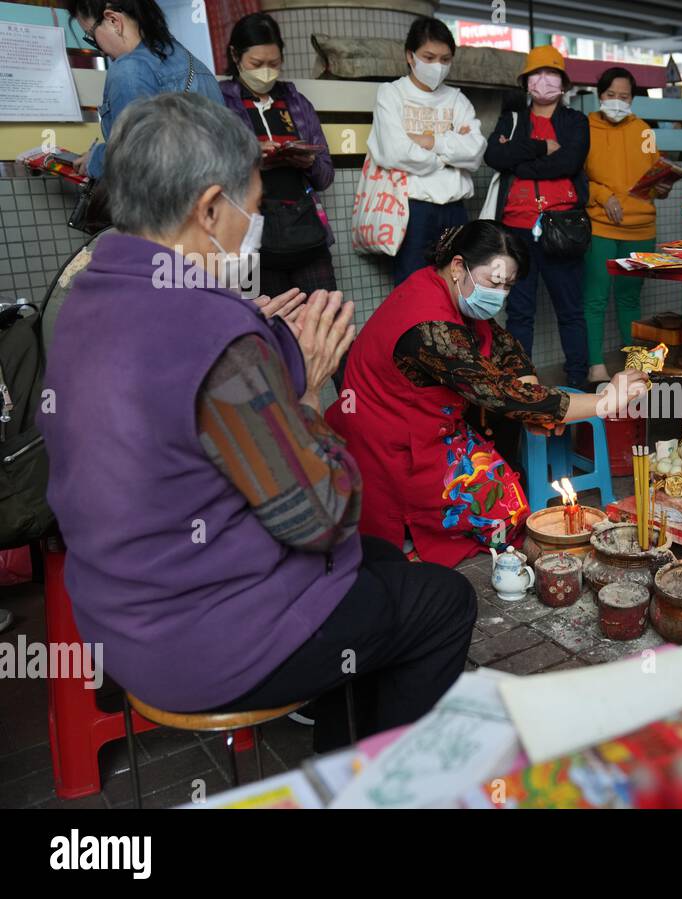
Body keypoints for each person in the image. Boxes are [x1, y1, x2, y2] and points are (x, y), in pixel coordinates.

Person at [39, 93, 475, 752]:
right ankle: (383, 788)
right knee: (442, 602)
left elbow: (184, 412)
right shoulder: (211, 330)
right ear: (210, 209)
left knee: (380, 561)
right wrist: (308, 394)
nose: (254, 225)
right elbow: (323, 513)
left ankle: (339, 758)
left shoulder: (86, 296)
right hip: (203, 642)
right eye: (254, 206)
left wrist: (260, 349)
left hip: (118, 615)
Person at [325, 220, 647, 568]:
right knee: (500, 515)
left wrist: (533, 404)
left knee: (508, 505)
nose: (500, 295)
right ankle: (413, 532)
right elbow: (496, 393)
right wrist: (604, 401)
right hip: (389, 440)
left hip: (430, 422)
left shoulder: (450, 292)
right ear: (459, 265)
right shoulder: (429, 326)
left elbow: (506, 348)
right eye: (495, 282)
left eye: (508, 286)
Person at [484, 46, 592, 389]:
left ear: (563, 82)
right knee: (519, 312)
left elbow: (569, 163)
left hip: (561, 227)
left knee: (571, 310)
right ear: (525, 82)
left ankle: (578, 379)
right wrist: (541, 148)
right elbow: (493, 156)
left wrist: (519, 161)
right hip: (515, 230)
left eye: (552, 74)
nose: (543, 80)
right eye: (536, 74)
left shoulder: (575, 121)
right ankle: (521, 383)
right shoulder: (512, 119)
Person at [220, 12, 337, 299]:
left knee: (323, 319)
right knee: (270, 330)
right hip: (252, 239)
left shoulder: (296, 103)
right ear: (235, 55)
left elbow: (325, 176)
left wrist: (307, 160)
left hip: (306, 233)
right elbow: (209, 170)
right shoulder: (220, 101)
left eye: (274, 63)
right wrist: (251, 155)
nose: (266, 71)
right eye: (256, 64)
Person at [369, 16, 485, 287]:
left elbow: (476, 152)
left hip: (455, 209)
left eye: (445, 59)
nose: (437, 66)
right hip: (412, 208)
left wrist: (429, 141)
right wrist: (450, 155)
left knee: (458, 287)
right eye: (429, 57)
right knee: (413, 286)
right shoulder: (392, 94)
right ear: (410, 56)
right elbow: (394, 153)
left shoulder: (457, 99)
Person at [67, 0, 222, 178]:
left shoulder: (129, 68)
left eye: (92, 37)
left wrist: (95, 160)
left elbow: (136, 161)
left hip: (172, 200)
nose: (101, 51)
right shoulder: (191, 61)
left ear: (113, 21)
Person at [582, 67, 659, 385]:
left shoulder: (643, 131)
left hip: (641, 228)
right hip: (601, 226)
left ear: (632, 99)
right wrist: (602, 195)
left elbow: (653, 175)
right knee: (596, 297)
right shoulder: (584, 128)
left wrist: (662, 185)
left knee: (630, 298)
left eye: (624, 96)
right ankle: (595, 364)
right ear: (599, 95)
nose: (616, 101)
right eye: (610, 95)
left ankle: (635, 365)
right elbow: (577, 176)